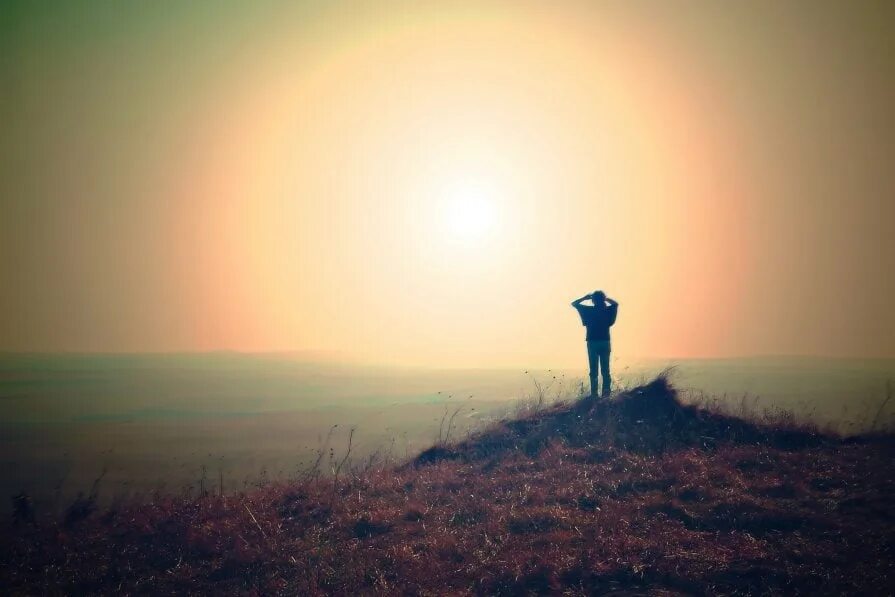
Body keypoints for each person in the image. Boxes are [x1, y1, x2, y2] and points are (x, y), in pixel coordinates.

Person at [571, 290, 618, 398]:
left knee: (593, 371)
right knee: (605, 371)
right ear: (602, 299)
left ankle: (594, 395)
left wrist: (584, 298)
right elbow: (615, 304)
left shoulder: (588, 311)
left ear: (593, 300)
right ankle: (606, 395)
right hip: (605, 341)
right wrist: (605, 298)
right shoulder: (607, 310)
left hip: (592, 342)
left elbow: (574, 304)